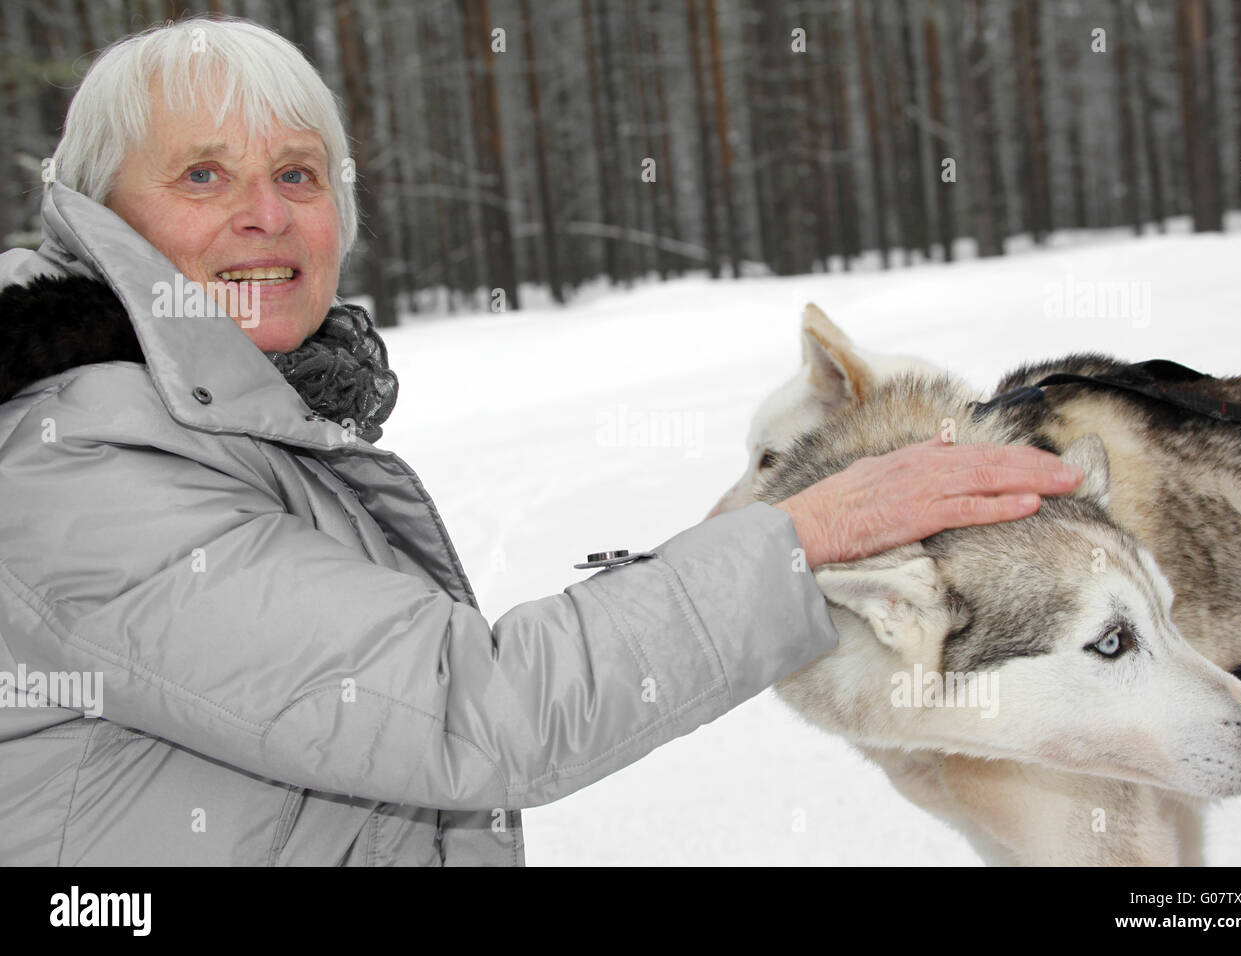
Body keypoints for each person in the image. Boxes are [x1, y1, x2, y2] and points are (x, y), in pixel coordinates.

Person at [0, 16, 1083, 865]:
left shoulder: (229, 420)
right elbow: (472, 710)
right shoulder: (80, 467)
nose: (266, 214)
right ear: (99, 215)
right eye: (202, 175)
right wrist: (802, 533)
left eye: (298, 173)